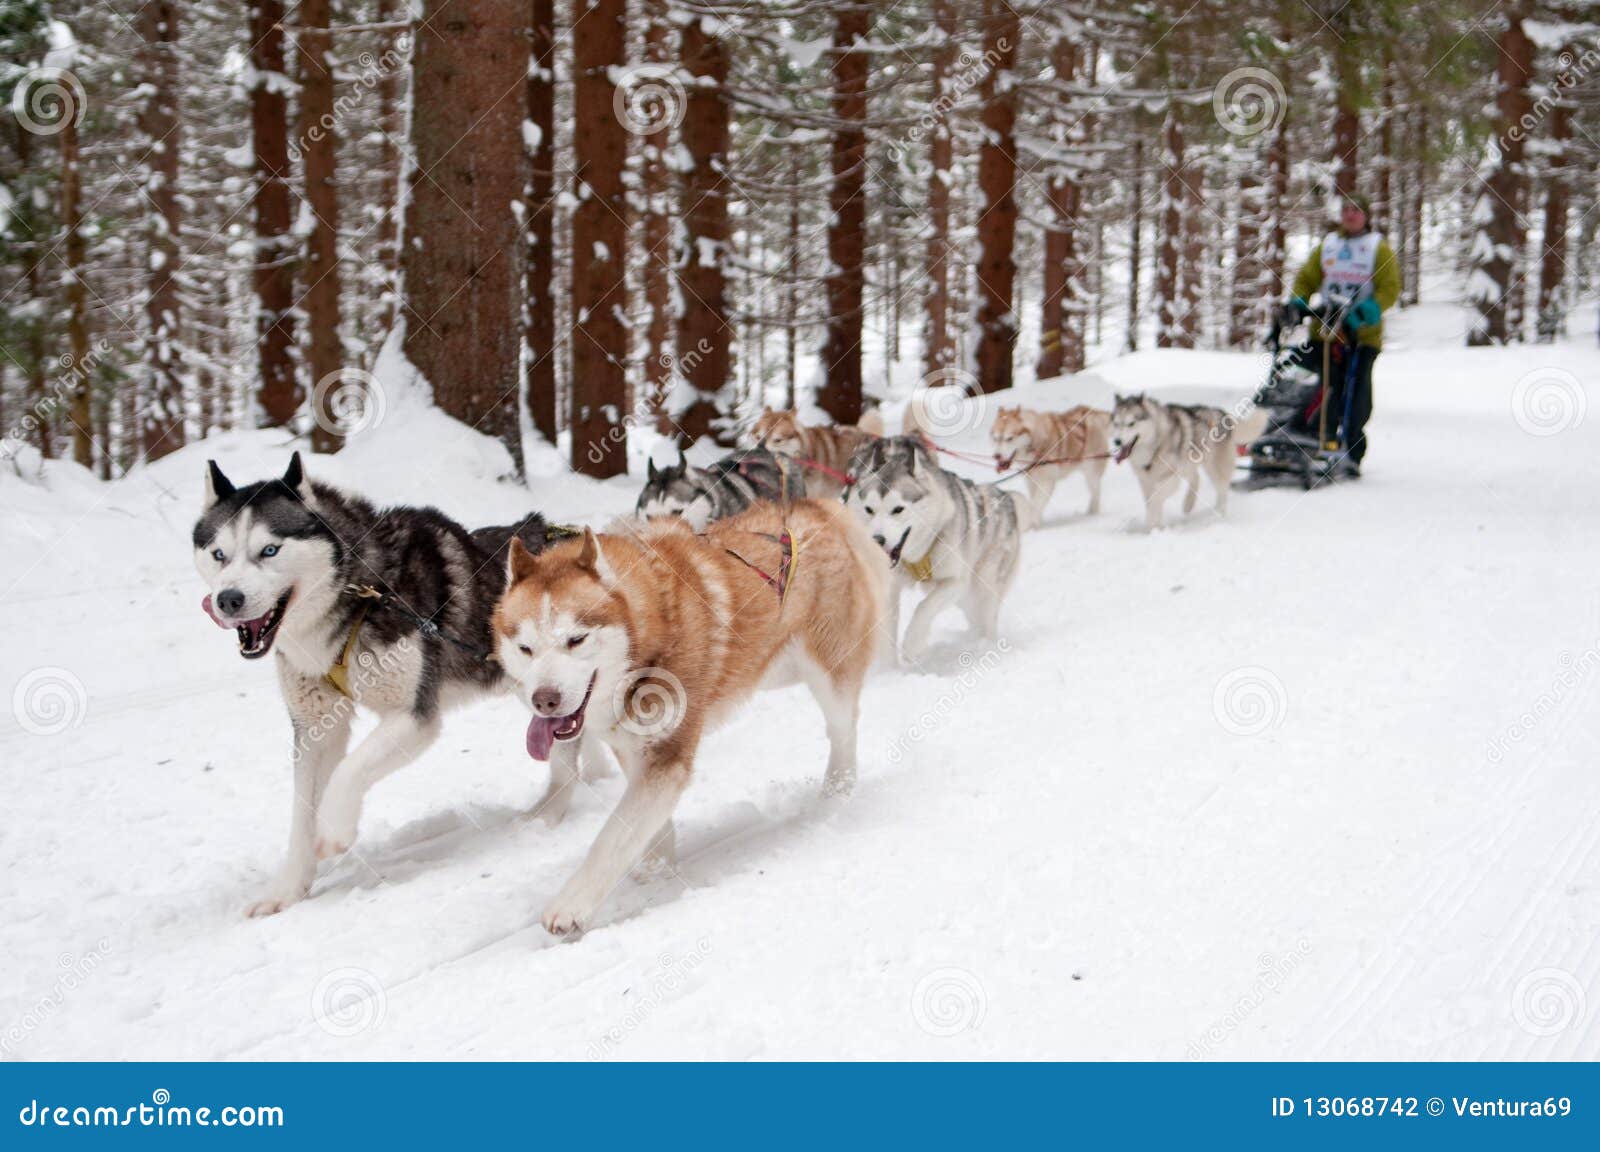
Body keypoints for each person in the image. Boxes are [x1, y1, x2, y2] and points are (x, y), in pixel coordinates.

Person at [1288, 193, 1401, 476]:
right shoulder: (1329, 245)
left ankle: (1350, 448)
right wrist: (1298, 301)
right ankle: (1311, 436)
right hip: (1325, 330)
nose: (1351, 215)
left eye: (1356, 210)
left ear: (1365, 216)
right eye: (1347, 210)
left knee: (1355, 392)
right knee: (1319, 386)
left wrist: (1371, 309)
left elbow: (1390, 287)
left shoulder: (1378, 248)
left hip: (1360, 335)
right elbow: (1306, 278)